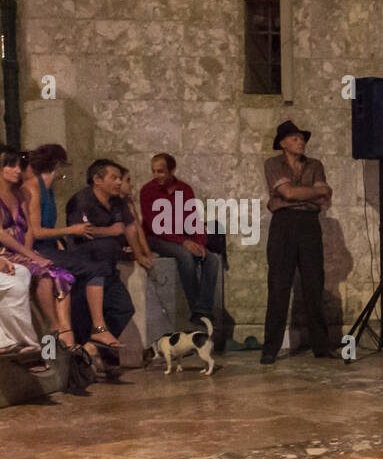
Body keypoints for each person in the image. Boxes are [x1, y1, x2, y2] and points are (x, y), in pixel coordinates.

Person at [262, 120, 334, 364]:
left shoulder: (315, 165)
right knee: (279, 287)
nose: (301, 142)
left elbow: (326, 195)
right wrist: (312, 192)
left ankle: (321, 347)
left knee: (314, 285)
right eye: (295, 138)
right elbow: (287, 193)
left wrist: (302, 193)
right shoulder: (273, 163)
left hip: (308, 225)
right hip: (283, 225)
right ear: (283, 143)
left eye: (302, 138)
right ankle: (269, 349)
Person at [0, 147, 77, 349]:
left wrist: (29, 253)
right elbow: (2, 234)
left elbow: (27, 231)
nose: (18, 170)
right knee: (45, 275)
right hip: (6, 253)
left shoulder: (20, 194)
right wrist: (28, 256)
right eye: (11, 165)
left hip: (22, 251)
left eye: (19, 166)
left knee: (61, 275)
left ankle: (64, 330)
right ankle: (54, 329)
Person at [65, 159, 138, 351]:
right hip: (88, 268)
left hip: (109, 268)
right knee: (83, 316)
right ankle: (87, 354)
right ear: (97, 179)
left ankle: (99, 347)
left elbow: (127, 226)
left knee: (124, 308)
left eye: (120, 179)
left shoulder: (116, 201)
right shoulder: (81, 201)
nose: (118, 183)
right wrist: (110, 231)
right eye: (113, 178)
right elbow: (80, 231)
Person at [141, 152, 220, 324]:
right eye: (153, 171)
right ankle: (196, 309)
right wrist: (184, 242)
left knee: (212, 259)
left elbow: (193, 219)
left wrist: (199, 243)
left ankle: (203, 309)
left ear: (172, 170)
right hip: (156, 237)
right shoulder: (147, 191)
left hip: (181, 237)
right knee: (185, 255)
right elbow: (156, 226)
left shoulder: (185, 189)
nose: (156, 175)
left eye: (160, 171)